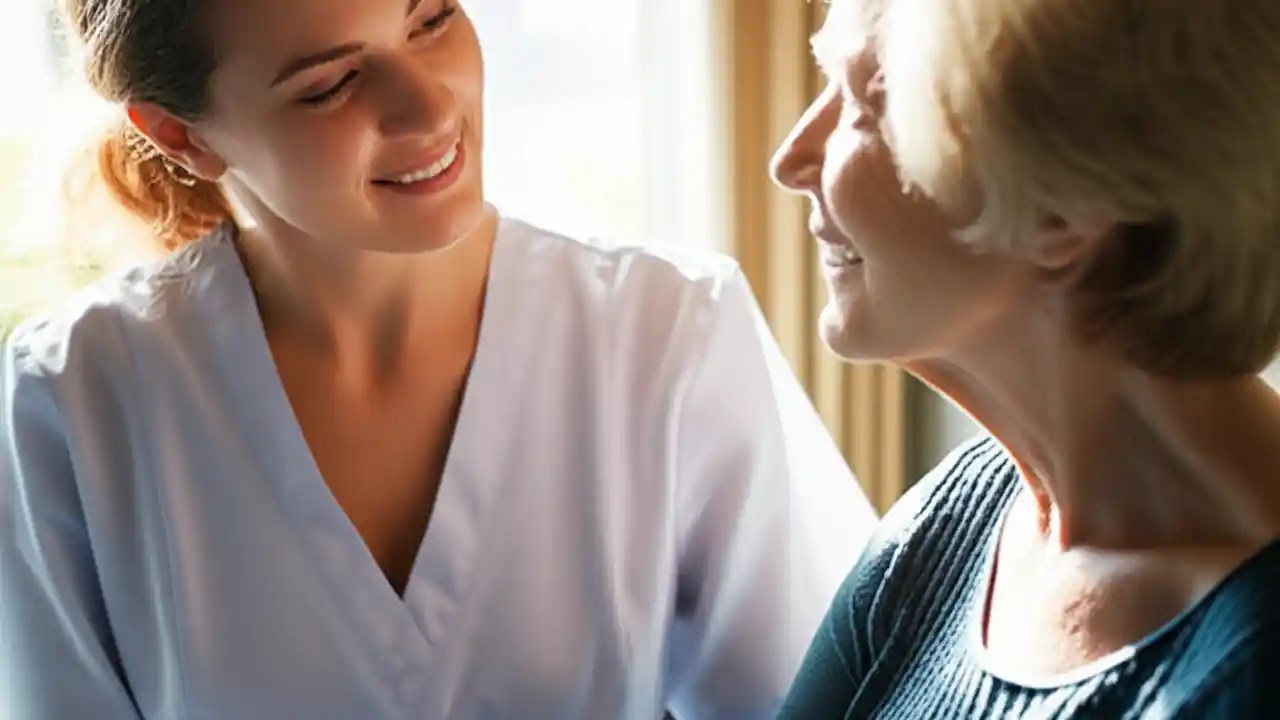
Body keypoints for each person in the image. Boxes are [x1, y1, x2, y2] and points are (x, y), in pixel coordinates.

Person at [0, 1, 876, 717]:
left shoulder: (666, 332)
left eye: (432, 19)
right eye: (331, 84)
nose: (429, 108)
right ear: (182, 136)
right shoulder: (75, 401)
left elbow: (813, 704)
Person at [769, 0, 1280, 716]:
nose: (790, 160)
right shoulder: (953, 522)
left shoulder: (1252, 671)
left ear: (1064, 210)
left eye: (867, 103)